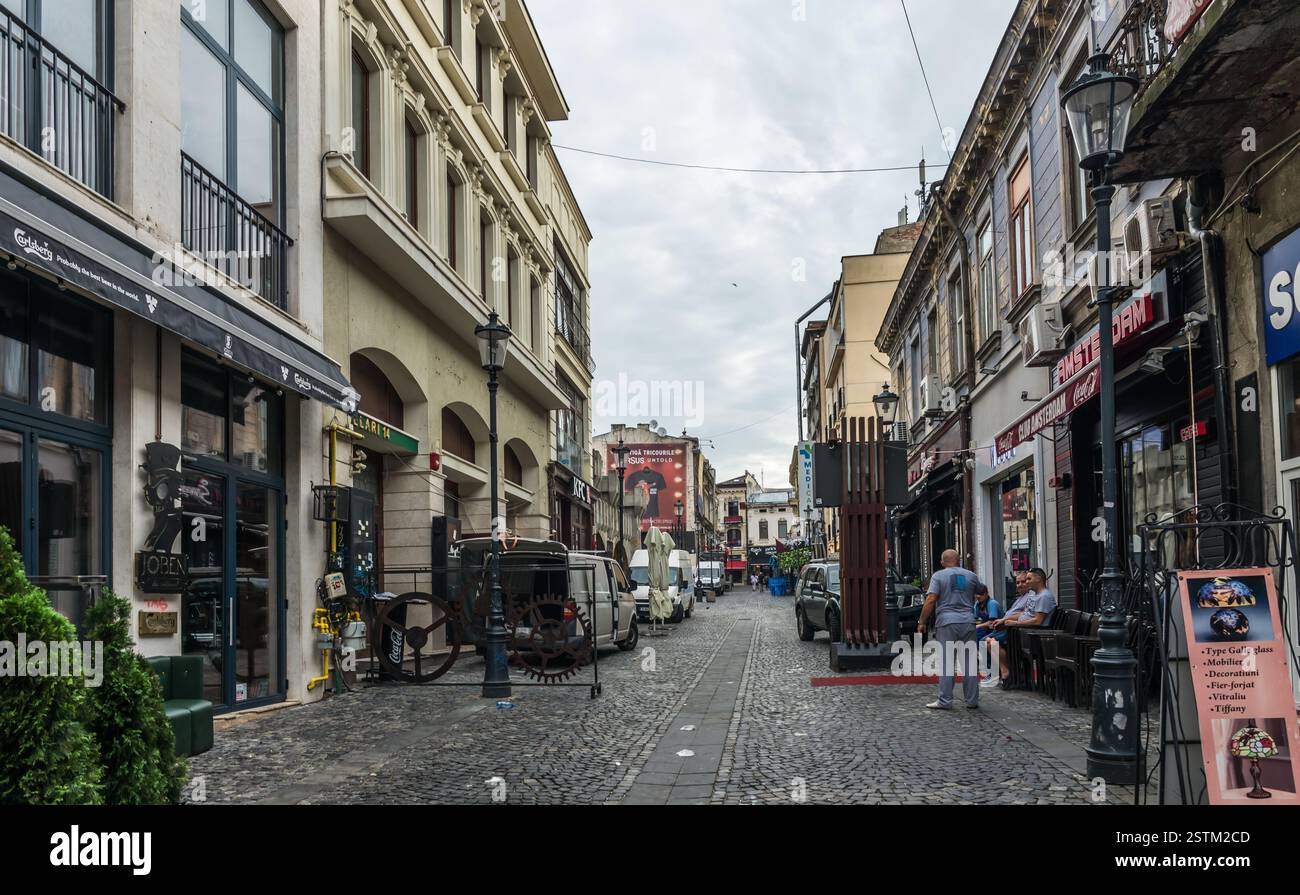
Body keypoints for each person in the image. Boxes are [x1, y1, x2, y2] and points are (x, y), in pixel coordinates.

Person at [917, 548, 982, 710]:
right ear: (959, 560)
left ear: (942, 562)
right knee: (969, 662)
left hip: (947, 622)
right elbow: (981, 590)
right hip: (968, 621)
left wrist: (922, 621)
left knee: (947, 662)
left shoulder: (938, 576)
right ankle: (972, 700)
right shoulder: (971, 576)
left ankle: (945, 700)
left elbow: (931, 599)